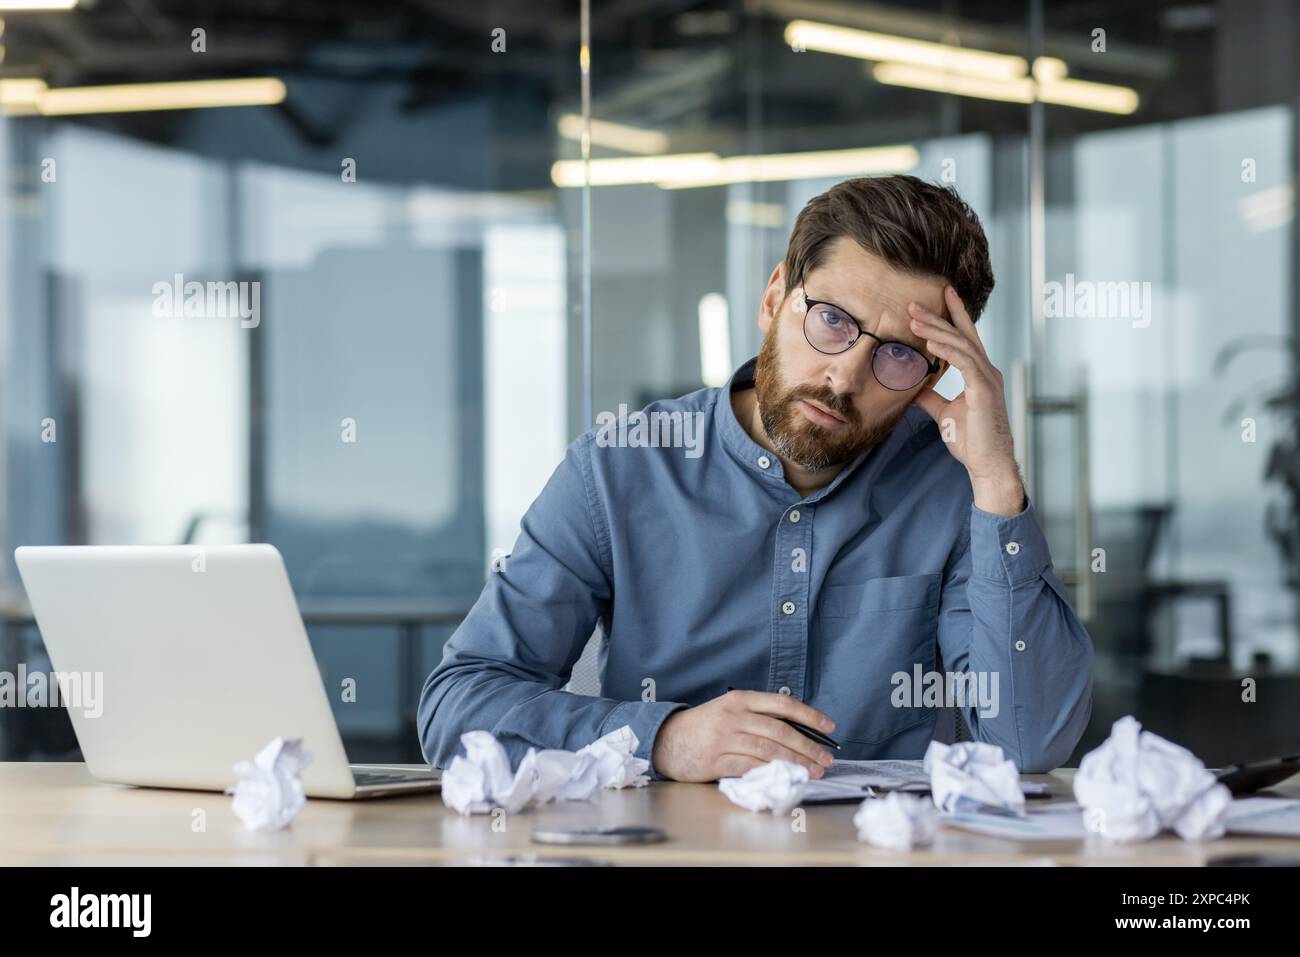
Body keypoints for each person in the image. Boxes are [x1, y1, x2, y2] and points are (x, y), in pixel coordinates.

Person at [418, 174, 1093, 782]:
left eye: (896, 355)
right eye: (831, 320)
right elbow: (458, 708)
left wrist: (999, 478)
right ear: (775, 298)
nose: (844, 376)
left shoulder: (953, 487)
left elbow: (1027, 743)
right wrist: (664, 737)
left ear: (935, 375)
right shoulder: (619, 467)